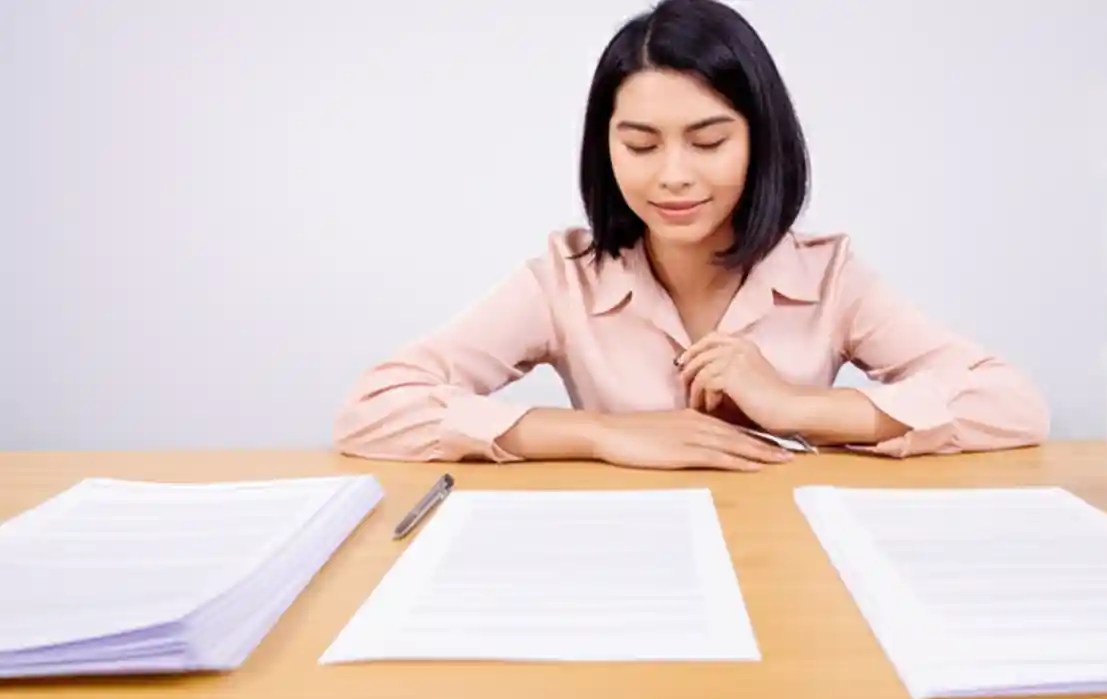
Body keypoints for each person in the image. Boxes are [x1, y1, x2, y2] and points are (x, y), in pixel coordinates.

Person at [333, 0, 1050, 471]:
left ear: (760, 142)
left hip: (787, 563)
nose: (673, 176)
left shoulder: (828, 277)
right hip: (635, 571)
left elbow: (1011, 404)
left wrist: (798, 408)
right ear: (605, 147)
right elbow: (373, 411)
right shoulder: (566, 278)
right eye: (641, 145)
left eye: (708, 142)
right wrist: (603, 435)